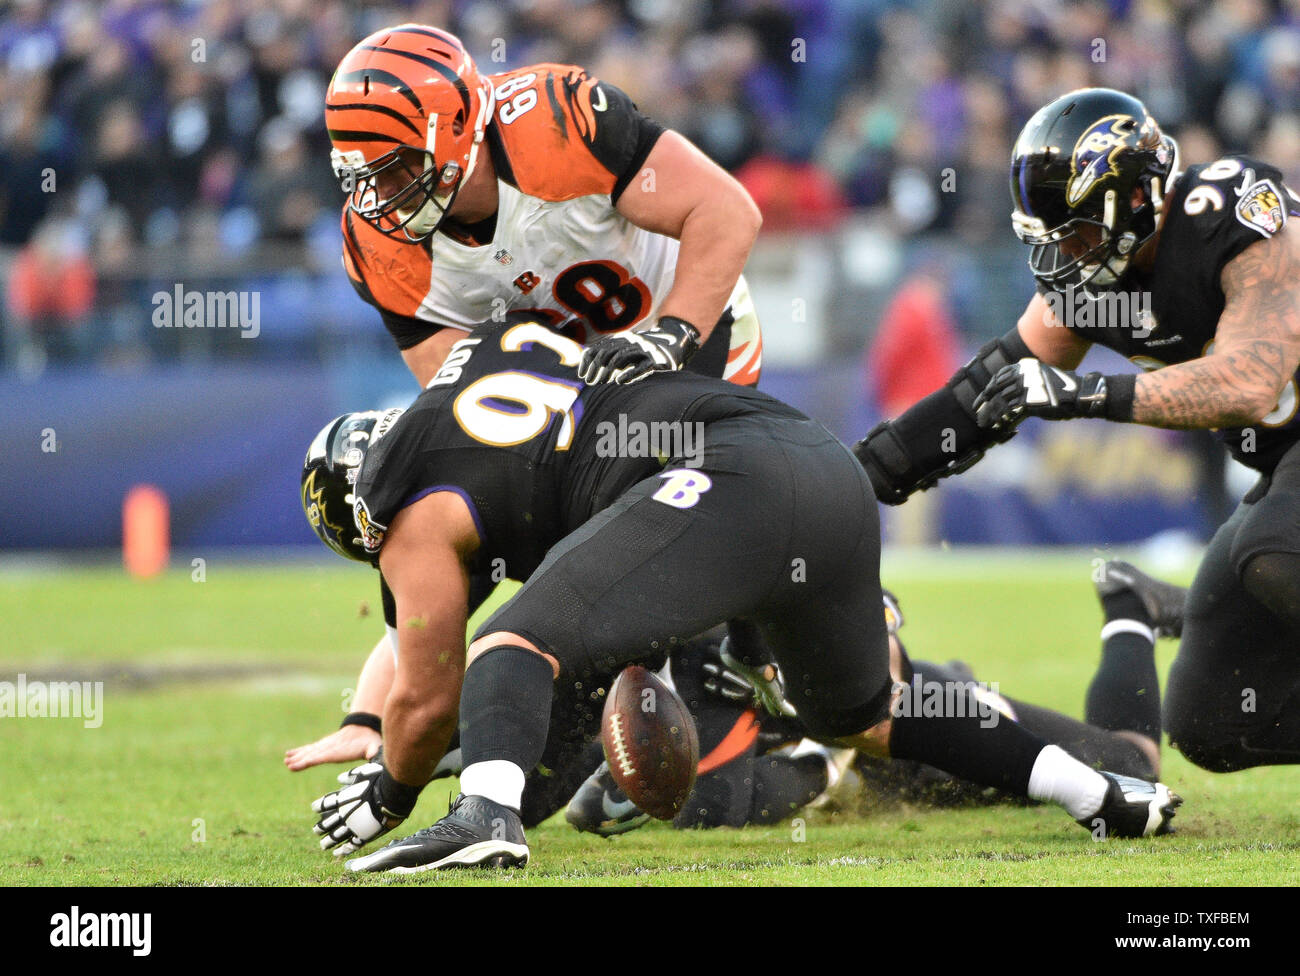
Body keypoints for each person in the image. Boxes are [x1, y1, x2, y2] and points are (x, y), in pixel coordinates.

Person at [300, 315, 1180, 873]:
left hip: (724, 480)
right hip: (816, 462)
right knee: (864, 715)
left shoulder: (399, 497)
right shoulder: (483, 357)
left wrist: (391, 788)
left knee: (514, 644)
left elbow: (425, 691)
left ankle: (486, 818)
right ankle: (1093, 793)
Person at [853, 87, 1300, 774]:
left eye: (1080, 231)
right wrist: (853, 480)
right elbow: (981, 396)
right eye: (1055, 234)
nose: (1067, 253)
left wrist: (1088, 393)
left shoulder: (1229, 210)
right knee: (1215, 721)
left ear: (1141, 197)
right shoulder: (1092, 283)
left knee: (1274, 548)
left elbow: (1250, 381)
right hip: (1283, 469)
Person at [322, 22, 766, 702]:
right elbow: (465, 421)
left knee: (678, 532)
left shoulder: (557, 123)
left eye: (399, 167)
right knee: (533, 527)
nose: (379, 198)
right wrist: (371, 716)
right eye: (365, 176)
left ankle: (776, 644)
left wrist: (671, 335)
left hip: (687, 330)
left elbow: (726, 209)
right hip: (562, 384)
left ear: (456, 129)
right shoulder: (381, 245)